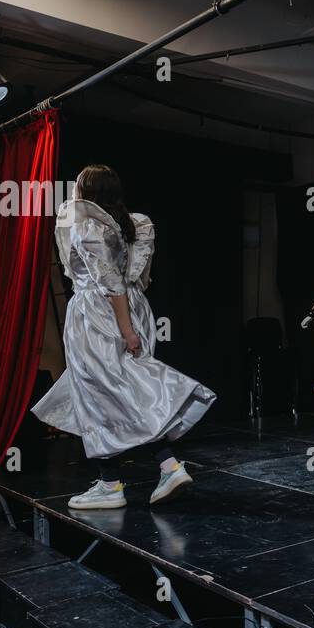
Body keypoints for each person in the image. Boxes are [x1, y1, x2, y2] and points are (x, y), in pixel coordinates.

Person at [31, 165, 216, 509]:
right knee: (115, 390)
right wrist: (131, 324)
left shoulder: (88, 227)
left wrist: (126, 330)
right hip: (132, 307)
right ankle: (146, 470)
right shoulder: (134, 224)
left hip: (100, 313)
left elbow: (111, 282)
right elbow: (137, 279)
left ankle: (123, 480)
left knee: (102, 393)